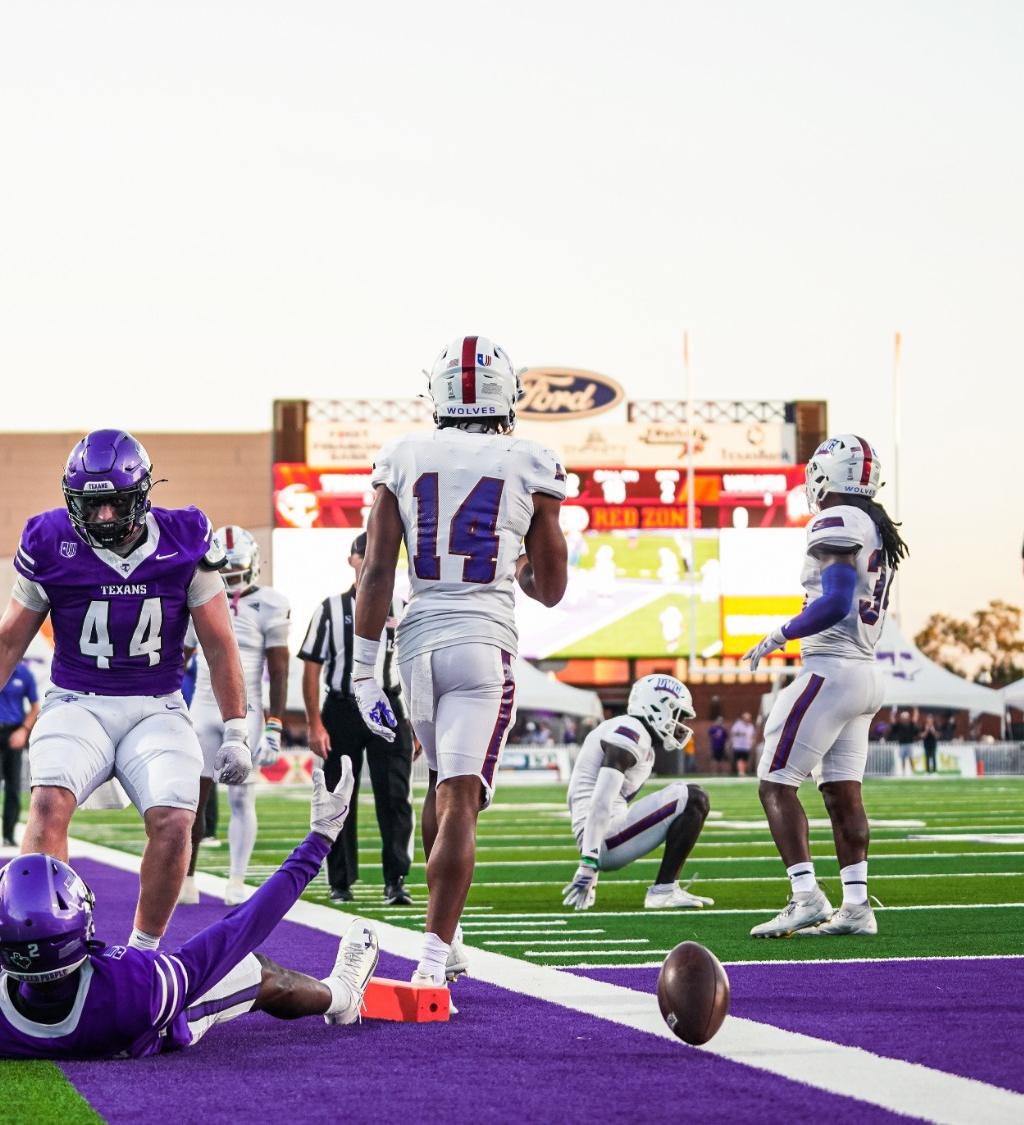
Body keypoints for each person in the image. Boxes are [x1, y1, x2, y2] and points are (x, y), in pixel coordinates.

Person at [0, 430, 252, 952]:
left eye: (113, 502)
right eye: (89, 504)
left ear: (141, 494)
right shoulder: (49, 540)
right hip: (77, 699)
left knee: (175, 820)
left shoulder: (186, 536)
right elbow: (8, 639)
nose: (100, 517)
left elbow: (218, 642)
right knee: (49, 804)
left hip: (157, 706)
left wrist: (236, 728)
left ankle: (142, 956)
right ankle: (46, 945)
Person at [0, 767, 377, 1058]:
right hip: (152, 1029)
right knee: (255, 971)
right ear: (80, 927)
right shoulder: (135, 986)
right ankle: (344, 997)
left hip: (93, 1017)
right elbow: (241, 926)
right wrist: (320, 839)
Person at [350, 336, 570, 986]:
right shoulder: (528, 459)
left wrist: (365, 671)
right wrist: (526, 565)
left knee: (440, 785)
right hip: (481, 638)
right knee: (459, 799)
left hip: (416, 644)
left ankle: (453, 937)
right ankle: (430, 962)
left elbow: (378, 571)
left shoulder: (405, 454)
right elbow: (551, 589)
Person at [742, 434, 908, 938]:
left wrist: (779, 633)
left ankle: (805, 896)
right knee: (842, 794)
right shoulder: (875, 526)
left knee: (775, 783)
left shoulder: (837, 519)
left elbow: (835, 601)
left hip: (831, 669)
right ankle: (856, 907)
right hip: (865, 674)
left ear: (826, 475)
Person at [298, 531, 412, 906]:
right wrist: (314, 722)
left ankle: (395, 880)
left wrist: (416, 719)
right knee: (338, 795)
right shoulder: (329, 608)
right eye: (365, 555)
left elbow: (413, 666)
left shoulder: (402, 606)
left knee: (394, 796)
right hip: (343, 708)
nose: (371, 562)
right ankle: (340, 881)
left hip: (389, 704)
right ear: (352, 559)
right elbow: (312, 666)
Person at [183, 526, 291, 907]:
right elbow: (179, 660)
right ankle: (187, 878)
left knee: (242, 799)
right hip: (202, 706)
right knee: (190, 798)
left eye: (236, 572)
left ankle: (236, 880)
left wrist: (275, 725)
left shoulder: (271, 604)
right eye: (223, 573)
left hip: (245, 712)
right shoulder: (198, 594)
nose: (229, 582)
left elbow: (279, 670)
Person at [561, 674, 715, 911]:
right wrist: (589, 861)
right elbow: (601, 800)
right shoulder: (629, 732)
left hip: (600, 836)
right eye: (677, 714)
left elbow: (587, 796)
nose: (680, 722)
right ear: (657, 707)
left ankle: (665, 888)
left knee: (690, 797)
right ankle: (663, 890)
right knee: (693, 798)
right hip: (604, 838)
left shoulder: (629, 732)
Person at [0, 633, 40, 848]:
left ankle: (9, 832)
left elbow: (34, 707)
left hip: (14, 731)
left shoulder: (25, 674)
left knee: (13, 785)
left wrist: (23, 731)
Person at [729, 711, 756, 777]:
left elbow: (752, 735)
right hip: (738, 745)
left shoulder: (751, 726)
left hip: (746, 746)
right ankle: (741, 772)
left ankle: (743, 771)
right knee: (740, 759)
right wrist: (741, 733)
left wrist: (752, 743)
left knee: (745, 759)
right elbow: (733, 732)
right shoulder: (738, 724)